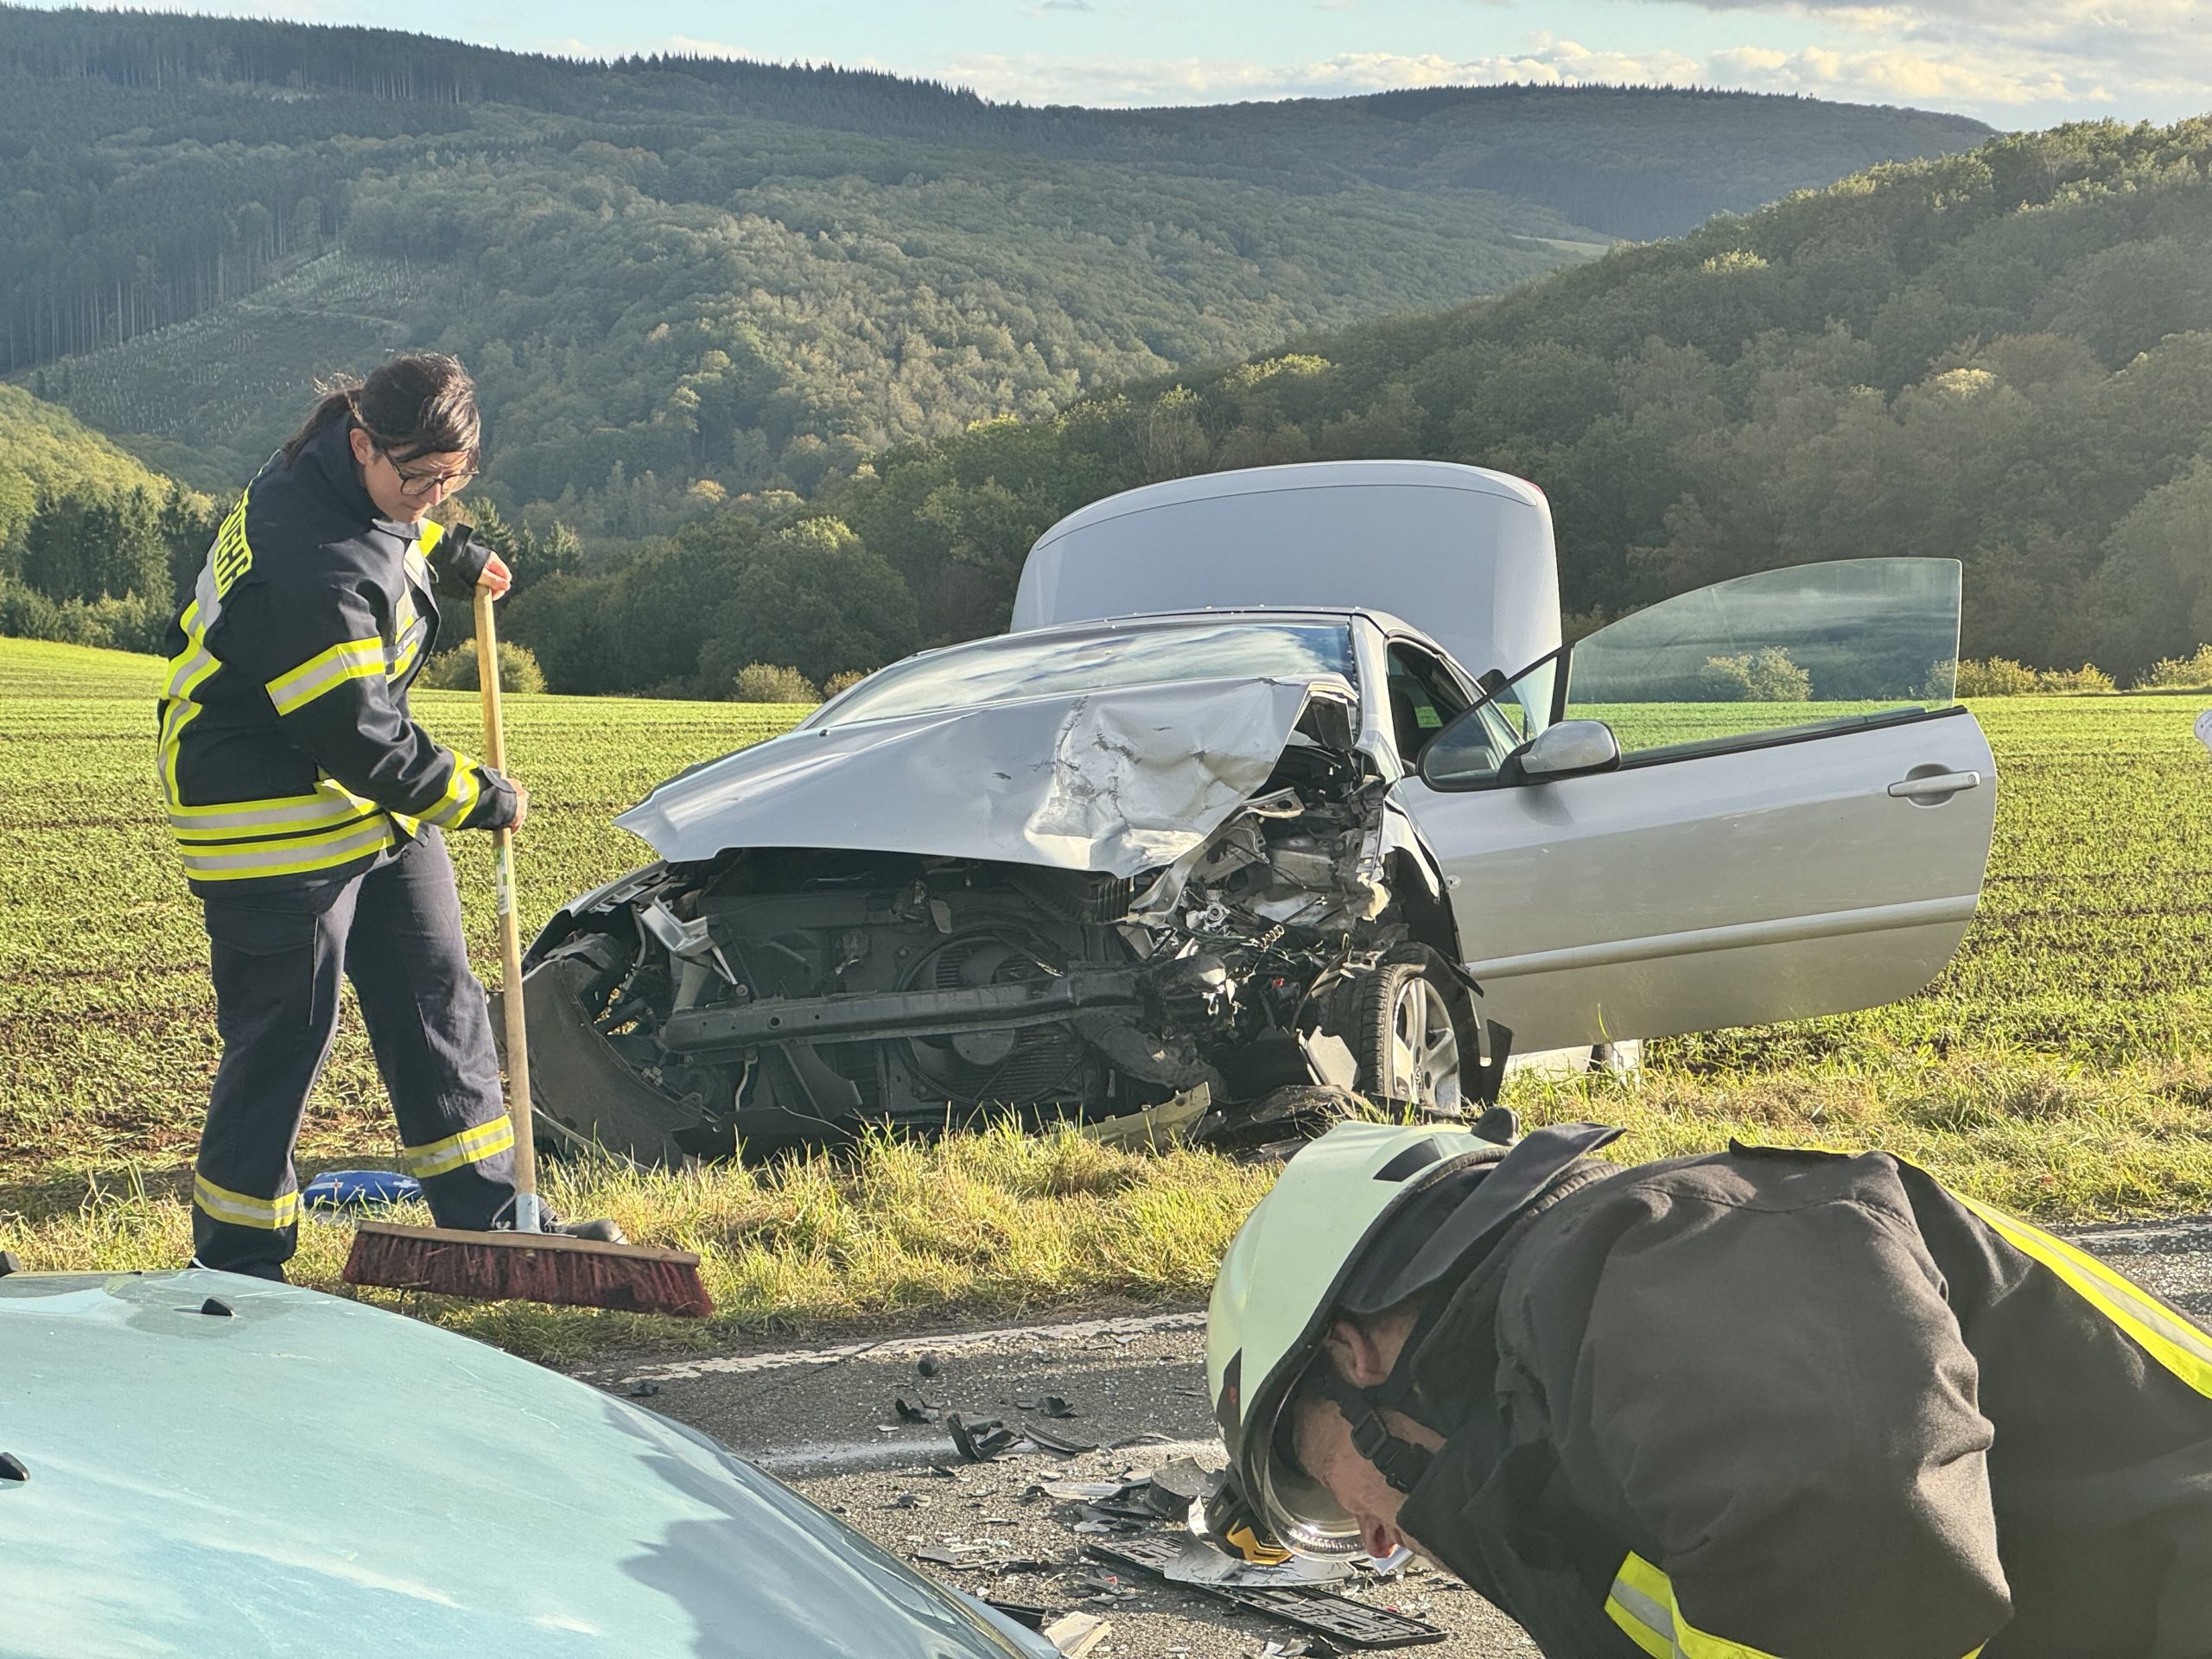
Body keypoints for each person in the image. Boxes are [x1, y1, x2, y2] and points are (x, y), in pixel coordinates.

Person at [1206, 1117, 2212, 1658]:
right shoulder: (1557, 1395)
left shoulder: (1665, 1255)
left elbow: (1866, 1562)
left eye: (1321, 1485)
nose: (1379, 1541)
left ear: (1351, 1353)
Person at [158, 353, 613, 1281]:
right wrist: (479, 796)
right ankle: (239, 1262)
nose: (434, 495)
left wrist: (455, 549)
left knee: (438, 992)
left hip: (362, 792)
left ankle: (488, 1215)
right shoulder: (307, 566)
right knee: (285, 1034)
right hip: (260, 805)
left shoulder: (348, 471)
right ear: (366, 445)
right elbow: (360, 739)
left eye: (456, 478)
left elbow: (393, 531)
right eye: (421, 480)